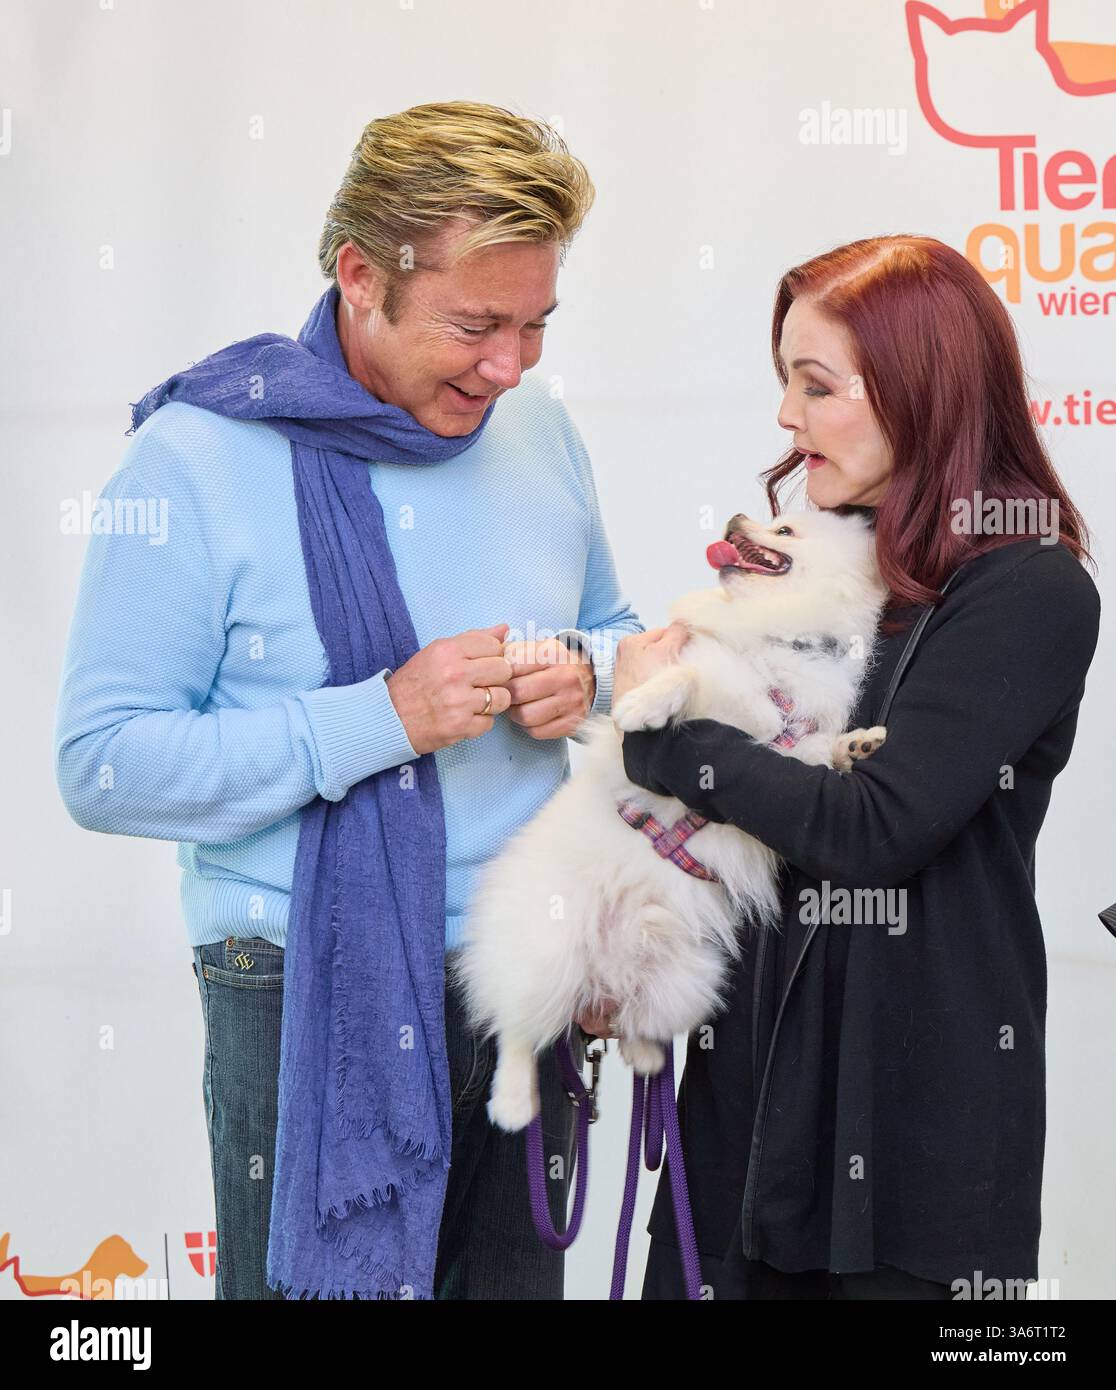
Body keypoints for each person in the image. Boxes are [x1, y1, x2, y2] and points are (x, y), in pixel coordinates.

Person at [53, 101, 643, 1301]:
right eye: (475, 325)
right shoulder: (195, 459)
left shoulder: (539, 429)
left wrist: (588, 676)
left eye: (535, 326)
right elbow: (103, 763)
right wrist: (379, 718)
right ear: (361, 276)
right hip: (297, 985)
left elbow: (625, 646)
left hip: (520, 972)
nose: (508, 367)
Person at [606, 235, 1100, 1300]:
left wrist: (665, 739)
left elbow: (874, 825)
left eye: (816, 384)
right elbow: (736, 818)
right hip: (742, 1116)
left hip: (923, 1145)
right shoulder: (813, 556)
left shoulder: (1031, 591)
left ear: (923, 393)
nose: (786, 416)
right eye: (785, 379)